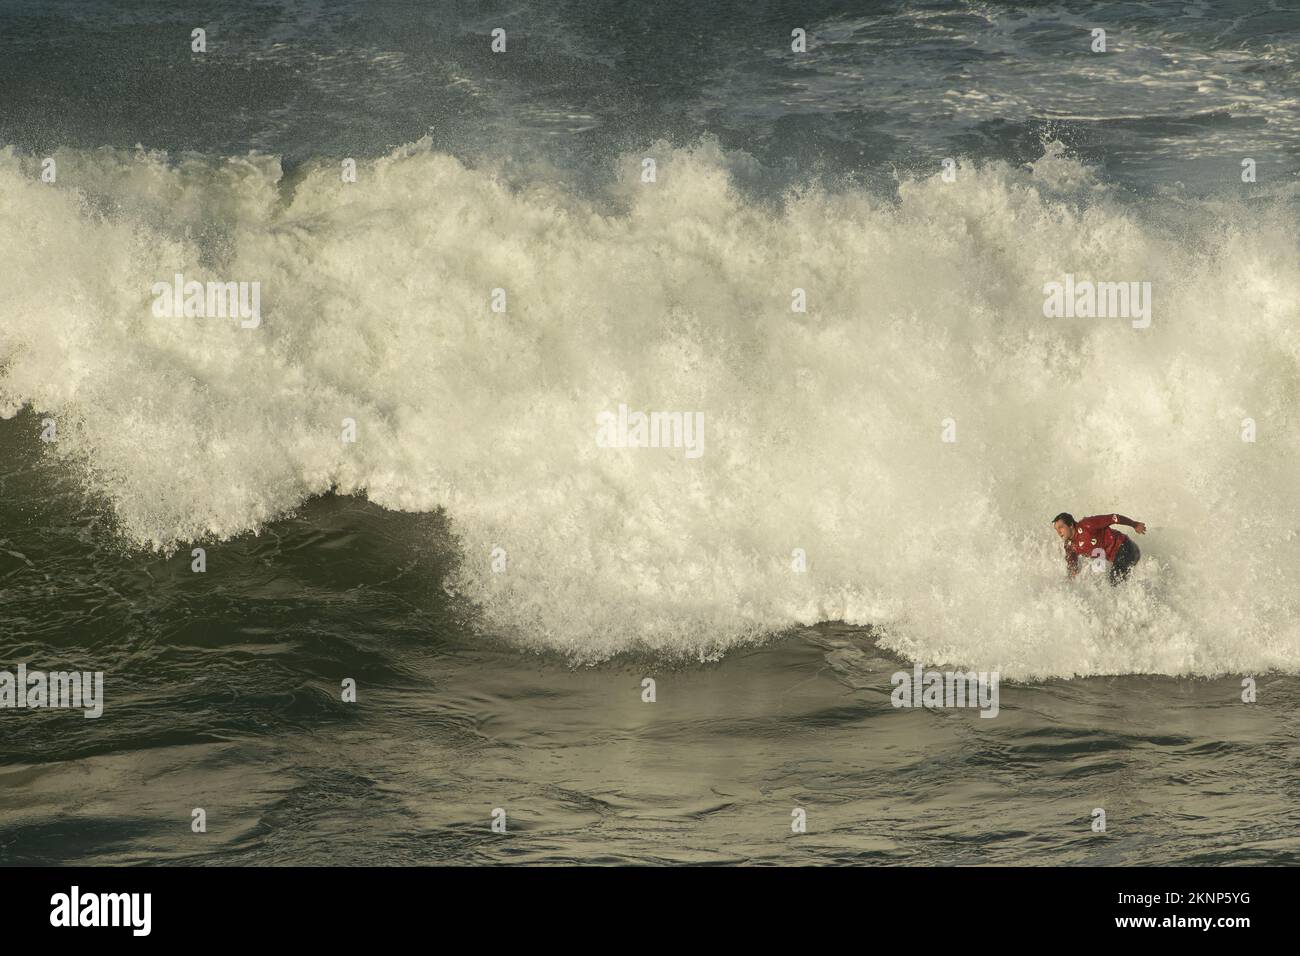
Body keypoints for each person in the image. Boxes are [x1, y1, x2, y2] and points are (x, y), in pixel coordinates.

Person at [1052, 512, 1146, 585]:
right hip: (1117, 559)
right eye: (1056, 530)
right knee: (1111, 585)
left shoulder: (1087, 525)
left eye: (1061, 527)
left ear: (1071, 525)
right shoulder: (1069, 546)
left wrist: (1135, 524)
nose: (1059, 532)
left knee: (1115, 582)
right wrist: (1069, 581)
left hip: (1127, 548)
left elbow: (1114, 518)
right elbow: (1072, 566)